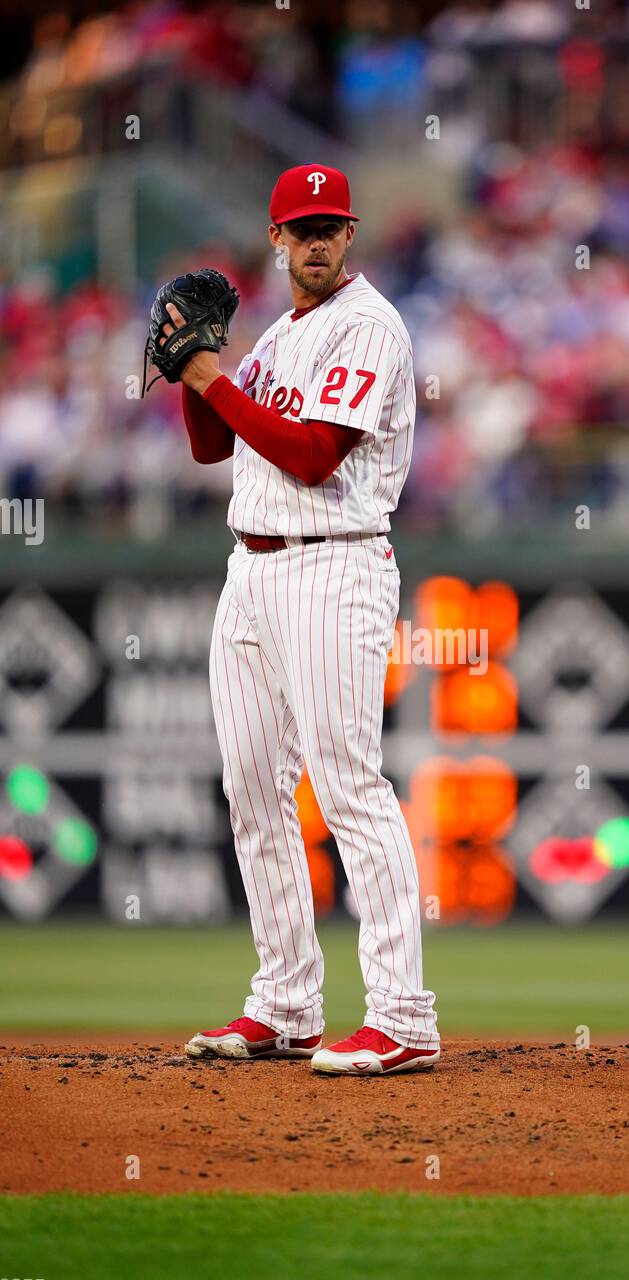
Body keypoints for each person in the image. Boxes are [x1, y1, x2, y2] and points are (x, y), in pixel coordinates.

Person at [173, 163, 439, 1076]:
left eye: (333, 225)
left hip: (334, 562)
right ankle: (285, 1004)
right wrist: (187, 370)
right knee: (251, 791)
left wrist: (210, 370)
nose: (318, 239)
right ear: (275, 237)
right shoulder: (282, 337)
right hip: (250, 569)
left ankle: (403, 1014)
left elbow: (316, 456)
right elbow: (213, 442)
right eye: (302, 226)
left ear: (350, 234)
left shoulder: (370, 325)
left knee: (349, 786)